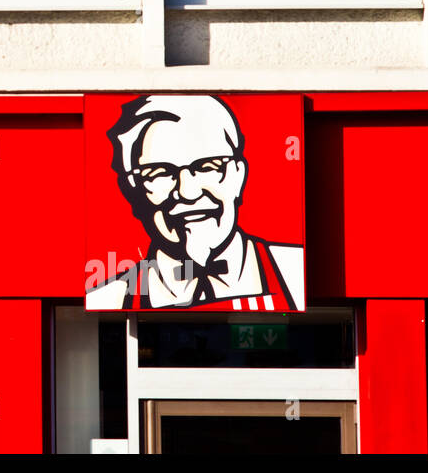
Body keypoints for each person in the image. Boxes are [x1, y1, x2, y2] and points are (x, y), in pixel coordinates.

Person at [86, 95, 304, 311]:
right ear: (133, 190)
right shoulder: (108, 298)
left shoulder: (293, 270)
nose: (188, 192)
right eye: (160, 172)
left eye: (208, 167)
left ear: (238, 175)